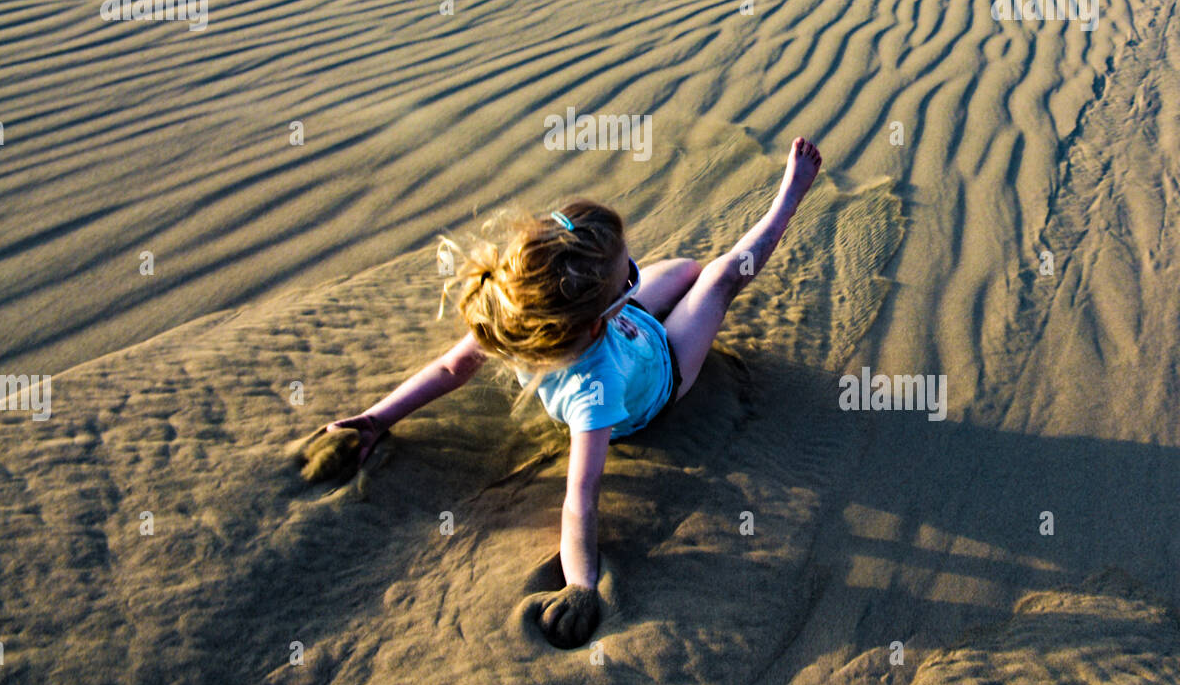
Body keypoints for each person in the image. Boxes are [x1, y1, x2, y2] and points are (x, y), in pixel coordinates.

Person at [296, 137, 822, 648]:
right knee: (720, 277)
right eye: (627, 278)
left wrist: (374, 419)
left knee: (685, 268)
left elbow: (450, 368)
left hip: (626, 331)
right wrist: (581, 585)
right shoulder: (595, 393)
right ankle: (789, 198)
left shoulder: (518, 314)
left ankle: (648, 296)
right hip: (663, 374)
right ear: (595, 321)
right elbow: (581, 498)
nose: (633, 275)